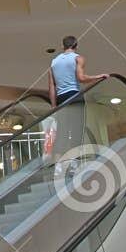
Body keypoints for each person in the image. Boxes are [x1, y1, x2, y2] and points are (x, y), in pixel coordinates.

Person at [48, 36, 109, 168]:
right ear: (76, 45)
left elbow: (52, 86)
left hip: (61, 98)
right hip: (75, 96)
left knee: (63, 131)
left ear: (62, 46)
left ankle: (58, 163)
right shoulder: (78, 58)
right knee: (76, 130)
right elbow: (81, 78)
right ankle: (73, 163)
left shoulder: (54, 62)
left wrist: (53, 105)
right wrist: (98, 76)